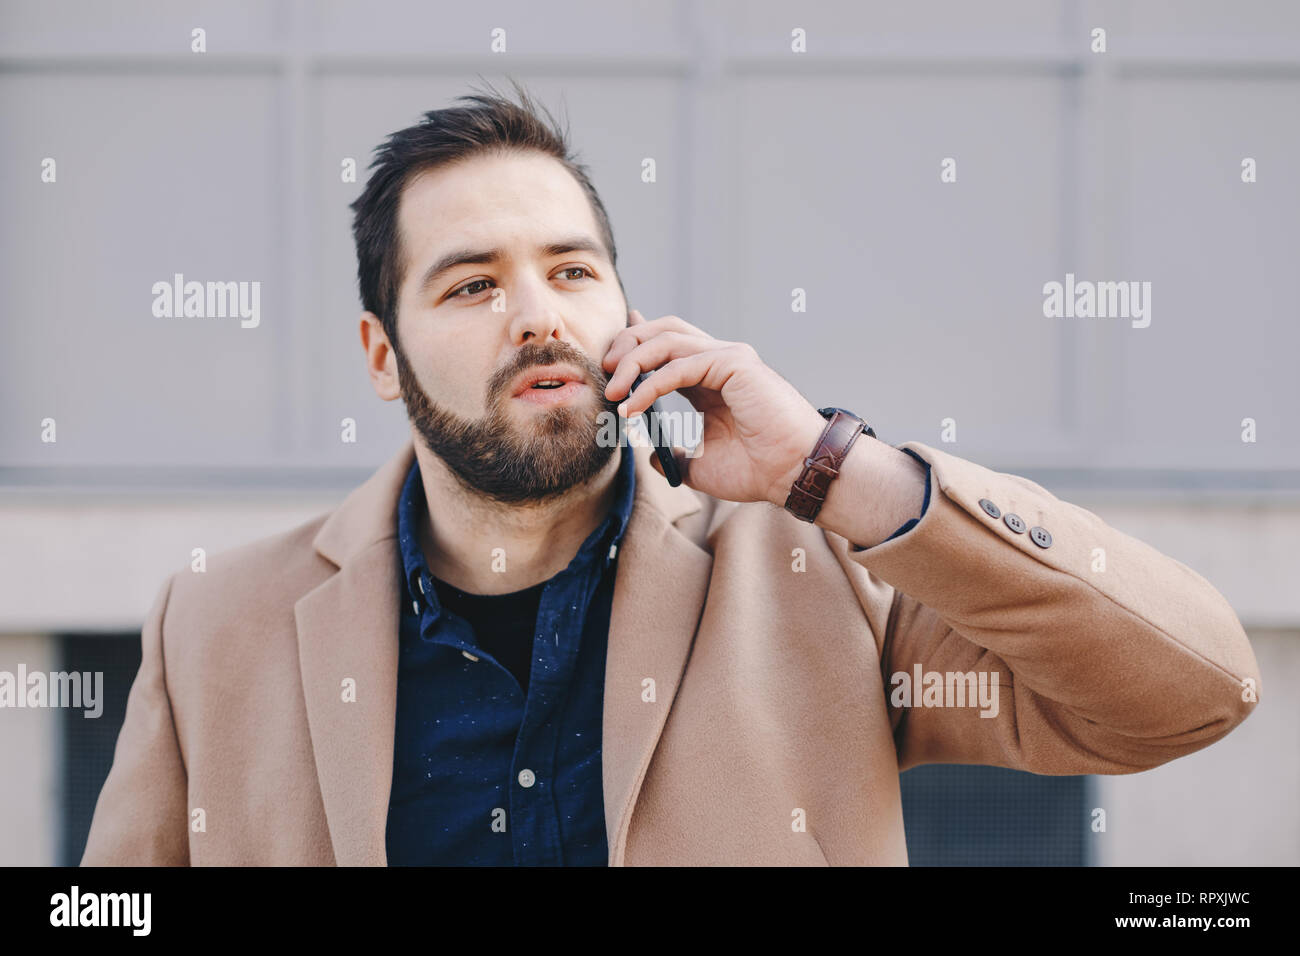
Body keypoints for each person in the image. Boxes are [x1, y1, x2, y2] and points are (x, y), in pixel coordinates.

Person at [82, 79, 1260, 866]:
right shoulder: (216, 625)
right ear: (382, 356)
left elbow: (1191, 686)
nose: (537, 316)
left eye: (572, 271)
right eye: (473, 284)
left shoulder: (814, 577)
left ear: (629, 314)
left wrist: (833, 471)